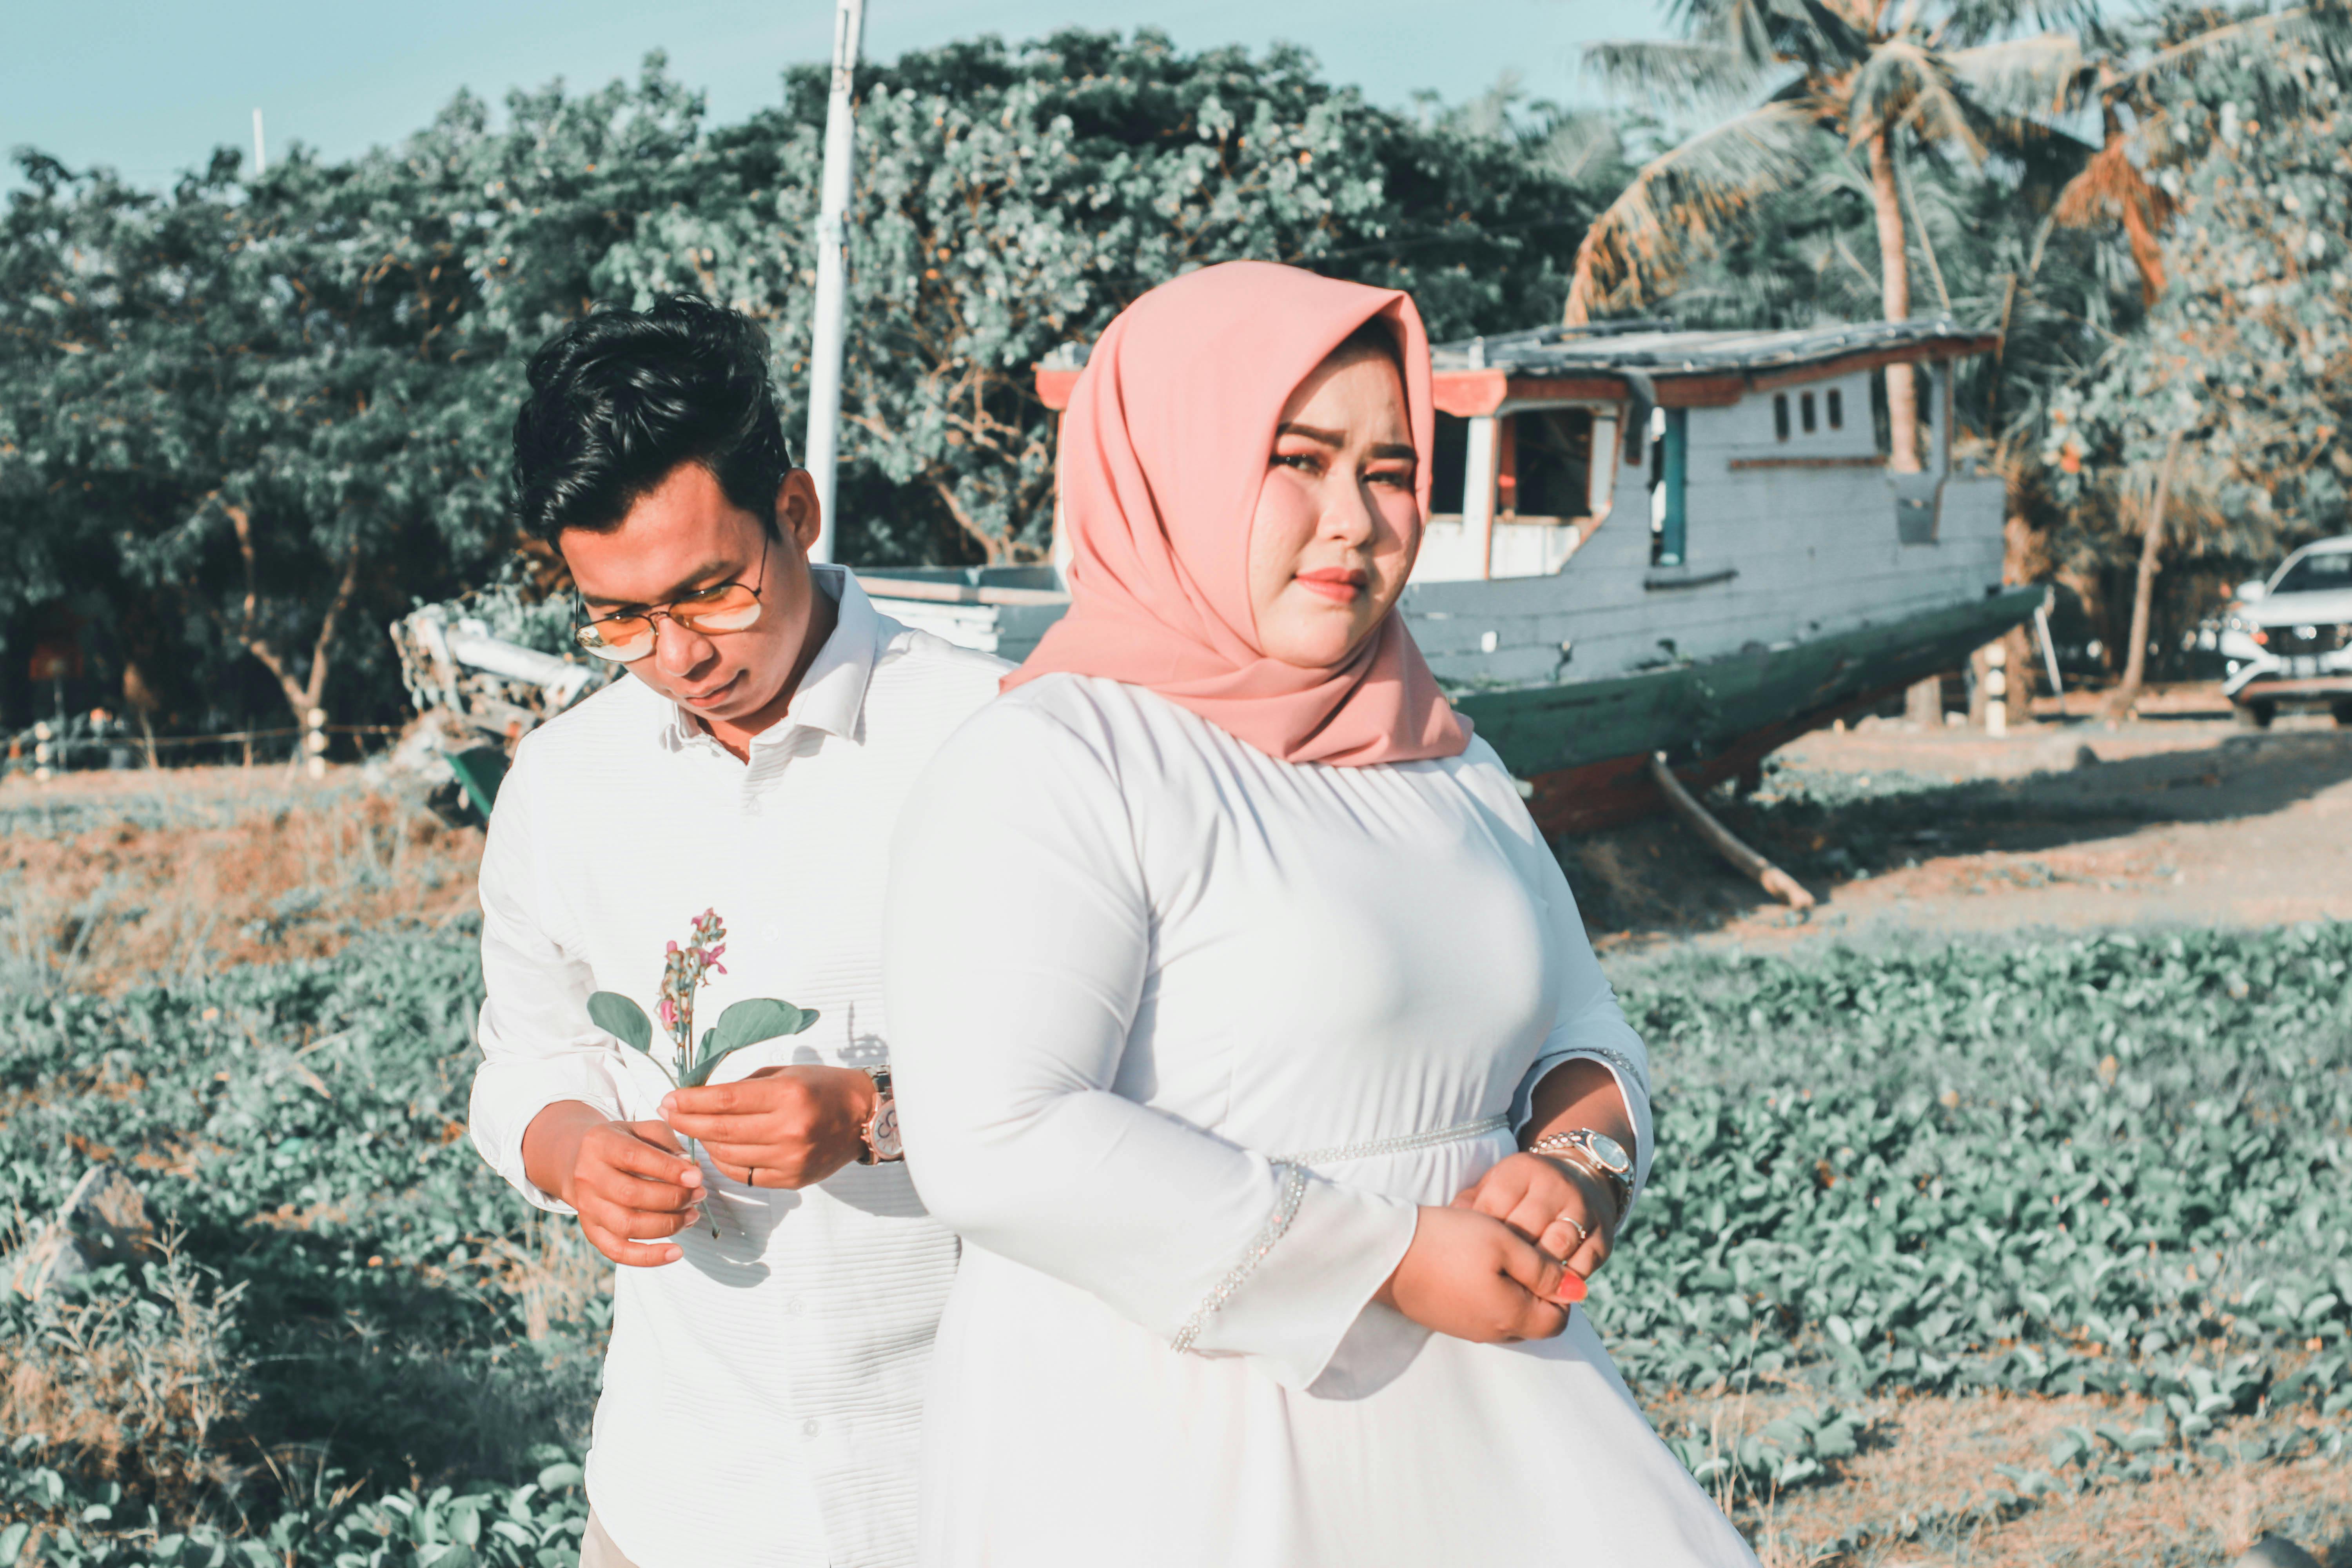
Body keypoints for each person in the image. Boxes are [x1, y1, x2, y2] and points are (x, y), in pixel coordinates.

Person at [882, 262, 1758, 1566]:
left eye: (1390, 471)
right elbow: (996, 1139)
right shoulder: (1061, 761)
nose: (1355, 520)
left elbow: (1584, 1031)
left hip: (1491, 1409)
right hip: (1179, 1441)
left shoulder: (1443, 754)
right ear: (1171, 466)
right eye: (1296, 460)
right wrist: (1390, 1258)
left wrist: (1581, 1168)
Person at [467, 296, 1006, 1568]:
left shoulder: (995, 740)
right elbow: (523, 1061)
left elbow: (1129, 1074)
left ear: (798, 513)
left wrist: (880, 1116)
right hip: (680, 1498)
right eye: (619, 617)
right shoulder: (562, 784)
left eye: (711, 593)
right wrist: (570, 1151)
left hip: (962, 1487)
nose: (677, 655)